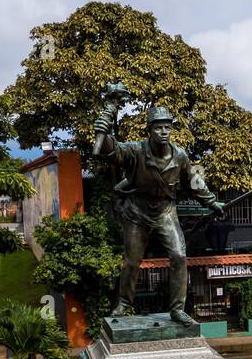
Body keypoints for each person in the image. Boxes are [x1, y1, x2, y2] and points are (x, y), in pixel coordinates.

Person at [92, 84, 226, 324]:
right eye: (158, 127)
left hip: (165, 210)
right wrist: (104, 126)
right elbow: (111, 151)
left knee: (178, 255)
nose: (164, 132)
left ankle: (177, 309)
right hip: (137, 211)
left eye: (167, 127)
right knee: (132, 261)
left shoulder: (181, 156)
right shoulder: (135, 151)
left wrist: (213, 203)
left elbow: (195, 182)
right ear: (149, 131)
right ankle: (124, 303)